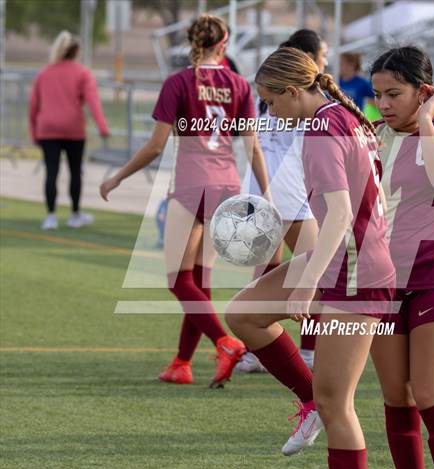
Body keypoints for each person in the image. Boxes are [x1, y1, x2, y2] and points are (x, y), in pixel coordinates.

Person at [224, 47, 395, 469]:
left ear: (292, 91)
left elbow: (339, 213)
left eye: (270, 99)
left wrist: (307, 282)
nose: (268, 109)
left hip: (356, 270)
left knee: (338, 406)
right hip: (342, 258)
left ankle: (317, 403)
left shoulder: (323, 128)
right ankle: (308, 399)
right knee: (243, 313)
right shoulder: (339, 116)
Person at [99, 14, 270, 387]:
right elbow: (252, 147)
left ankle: (224, 341)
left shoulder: (178, 82)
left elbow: (157, 145)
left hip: (192, 185)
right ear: (224, 45)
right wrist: (266, 194)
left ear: (192, 42)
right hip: (226, 186)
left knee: (178, 280)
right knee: (199, 279)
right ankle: (181, 363)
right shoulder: (240, 85)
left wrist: (117, 176)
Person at [369, 46, 434, 469]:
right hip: (382, 282)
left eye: (394, 93)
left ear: (423, 91)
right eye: (378, 94)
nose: (384, 104)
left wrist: (427, 121)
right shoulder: (370, 136)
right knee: (397, 397)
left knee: (431, 393)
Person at [236, 29, 327, 374]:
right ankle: (307, 352)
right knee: (313, 273)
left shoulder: (270, 89)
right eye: (323, 54)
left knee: (265, 273)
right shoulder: (300, 95)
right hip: (288, 191)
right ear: (308, 58)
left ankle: (256, 352)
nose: (325, 61)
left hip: (261, 190)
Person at [29, 31, 110, 230]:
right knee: (75, 172)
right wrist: (102, 127)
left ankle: (50, 216)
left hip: (47, 130)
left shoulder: (44, 73)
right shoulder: (83, 73)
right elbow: (93, 103)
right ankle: (75, 215)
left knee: (51, 172)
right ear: (76, 52)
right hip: (73, 130)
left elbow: (33, 106)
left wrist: (34, 133)